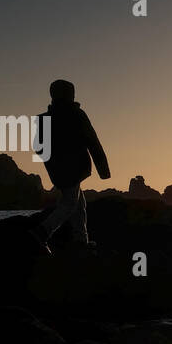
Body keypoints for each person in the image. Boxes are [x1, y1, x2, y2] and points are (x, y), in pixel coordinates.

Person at [31, 79, 110, 251]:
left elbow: (38, 148)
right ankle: (42, 232)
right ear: (69, 95)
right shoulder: (78, 115)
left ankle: (81, 240)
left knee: (78, 204)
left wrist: (52, 162)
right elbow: (93, 142)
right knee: (69, 204)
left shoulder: (43, 120)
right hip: (75, 168)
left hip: (57, 170)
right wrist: (103, 170)